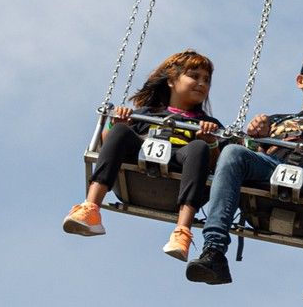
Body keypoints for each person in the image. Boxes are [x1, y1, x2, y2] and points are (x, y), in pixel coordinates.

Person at [185, 50, 303, 306]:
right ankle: (213, 251)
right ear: (301, 80)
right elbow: (256, 153)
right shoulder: (276, 120)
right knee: (234, 152)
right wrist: (256, 136)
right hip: (273, 166)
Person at [62, 49, 222, 261]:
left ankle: (182, 231)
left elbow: (214, 166)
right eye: (194, 76)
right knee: (121, 132)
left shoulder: (209, 125)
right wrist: (115, 124)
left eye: (206, 80)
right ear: (172, 81)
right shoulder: (147, 114)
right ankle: (90, 208)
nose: (202, 83)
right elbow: (107, 143)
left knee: (198, 147)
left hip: (178, 168)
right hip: (139, 166)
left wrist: (210, 141)